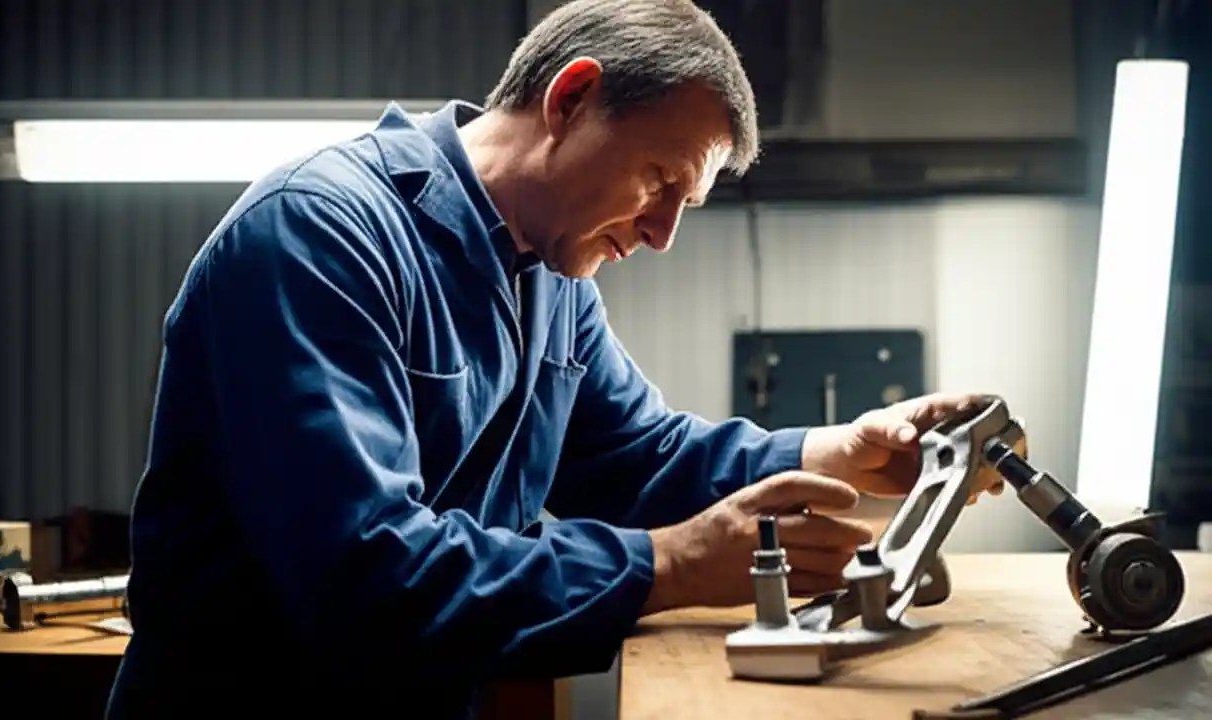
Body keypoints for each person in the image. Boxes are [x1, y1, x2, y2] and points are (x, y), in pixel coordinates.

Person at [106, 0, 1001, 717]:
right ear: (570, 100)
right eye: (659, 183)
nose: (661, 235)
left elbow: (639, 458)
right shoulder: (322, 235)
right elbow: (366, 578)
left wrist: (839, 452)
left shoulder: (549, 273)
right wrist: (669, 565)